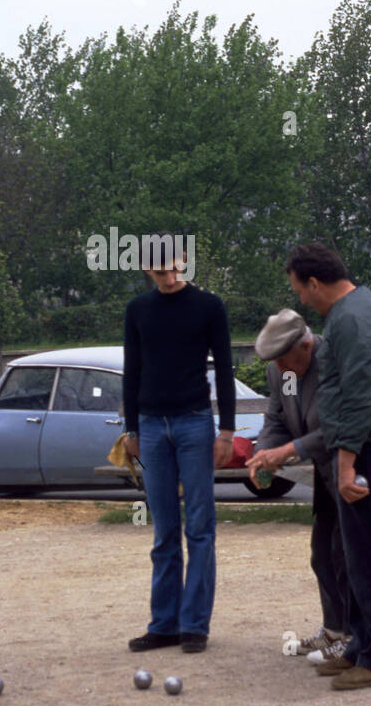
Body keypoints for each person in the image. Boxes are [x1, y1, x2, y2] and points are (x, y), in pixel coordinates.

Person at [285, 243, 371, 691]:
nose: (302, 300)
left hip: (370, 453)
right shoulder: (357, 309)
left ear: (315, 283)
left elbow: (358, 398)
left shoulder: (352, 319)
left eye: (301, 290)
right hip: (370, 450)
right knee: (356, 559)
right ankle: (361, 648)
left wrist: (345, 464)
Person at [122, 233, 236, 654]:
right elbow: (132, 370)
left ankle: (194, 625)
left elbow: (225, 368)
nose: (169, 278)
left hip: (195, 421)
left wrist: (227, 431)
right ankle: (164, 624)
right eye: (159, 272)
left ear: (183, 260)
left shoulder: (209, 306)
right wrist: (131, 429)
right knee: (164, 530)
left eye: (174, 268)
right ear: (145, 270)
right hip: (151, 425)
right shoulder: (138, 310)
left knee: (200, 527)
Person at [246, 308, 353, 667]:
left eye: (283, 358)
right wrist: (263, 454)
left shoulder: (336, 363)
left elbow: (337, 428)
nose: (278, 368)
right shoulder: (284, 372)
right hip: (326, 473)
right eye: (274, 361)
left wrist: (287, 451)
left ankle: (356, 639)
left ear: (306, 345)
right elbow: (277, 419)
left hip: (358, 468)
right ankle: (334, 632)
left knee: (348, 554)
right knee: (322, 553)